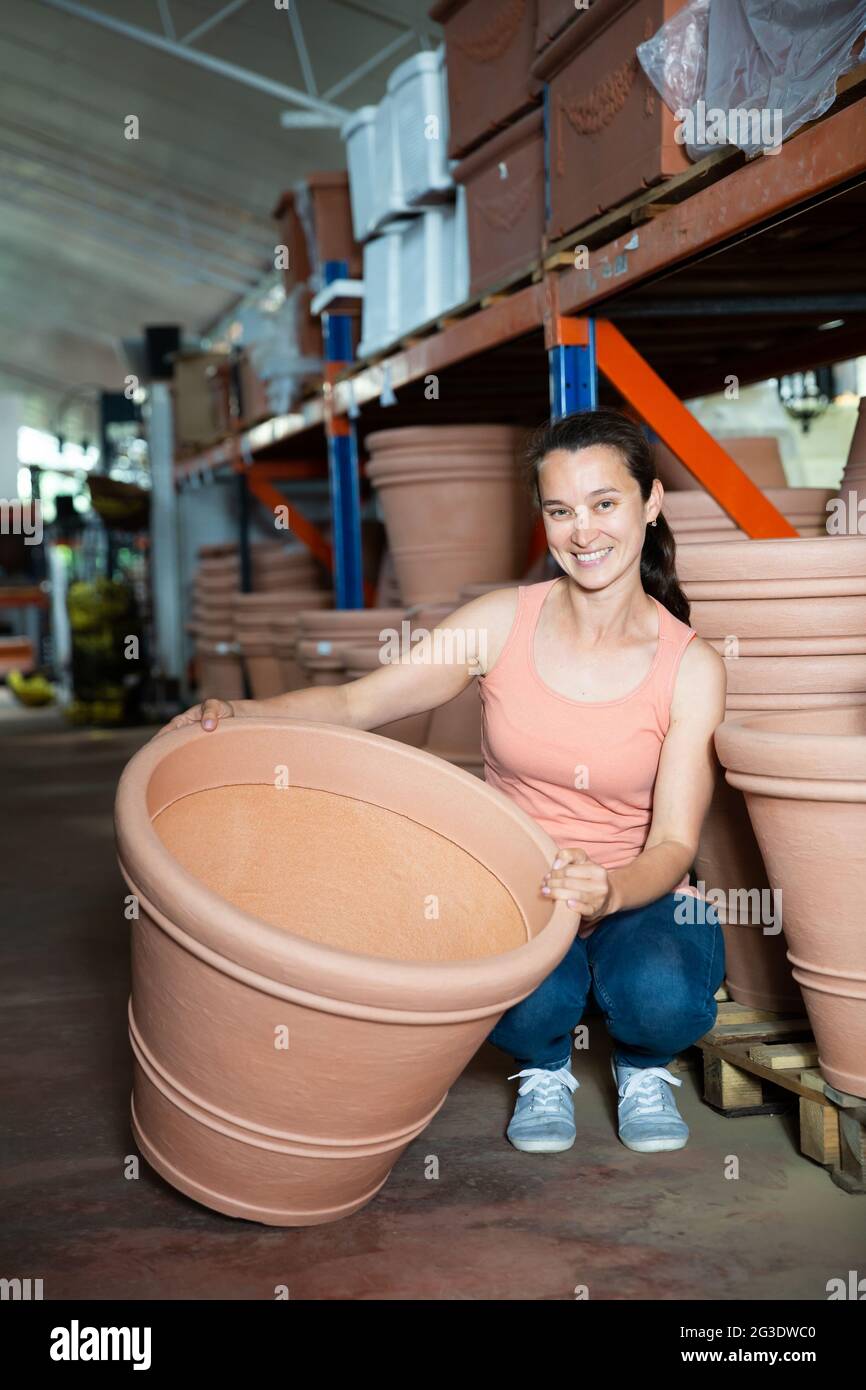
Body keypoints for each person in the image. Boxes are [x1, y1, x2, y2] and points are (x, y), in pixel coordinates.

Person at [161, 408, 726, 1157]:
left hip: (636, 890)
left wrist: (612, 891)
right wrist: (241, 712)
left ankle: (644, 1066)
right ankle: (546, 1066)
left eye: (604, 503)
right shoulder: (502, 622)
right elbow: (362, 700)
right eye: (560, 510)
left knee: (663, 994)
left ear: (650, 503)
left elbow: (677, 840)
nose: (583, 532)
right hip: (519, 886)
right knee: (527, 1003)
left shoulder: (690, 666)